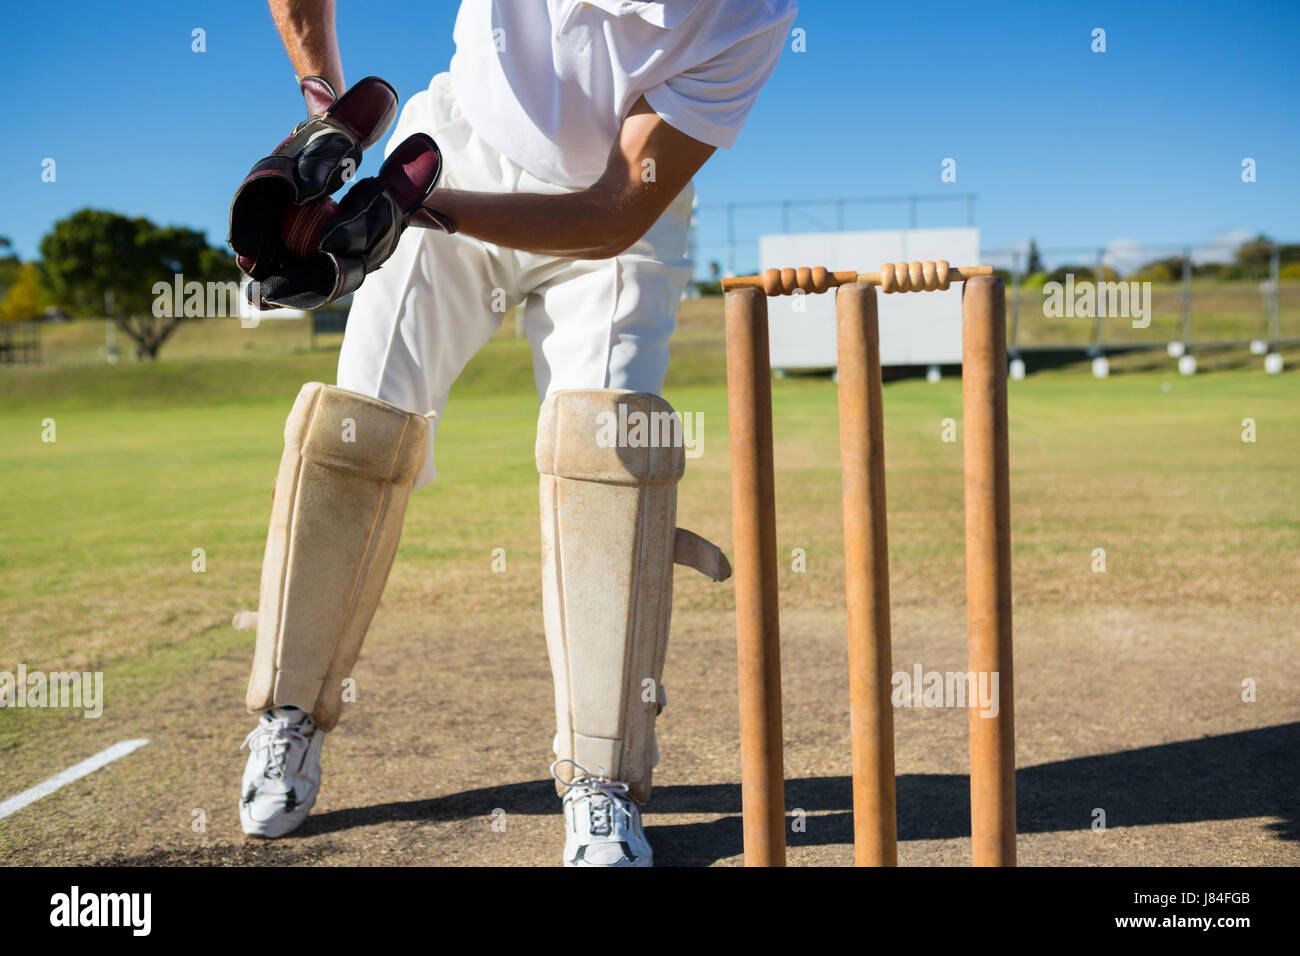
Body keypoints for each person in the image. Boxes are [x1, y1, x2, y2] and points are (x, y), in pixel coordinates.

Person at [237, 0, 796, 867]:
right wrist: (323, 110)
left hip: (613, 213)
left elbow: (614, 208)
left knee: (607, 456)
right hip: (453, 145)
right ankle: (290, 715)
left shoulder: (749, 13)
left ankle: (601, 778)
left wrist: (406, 213)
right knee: (355, 432)